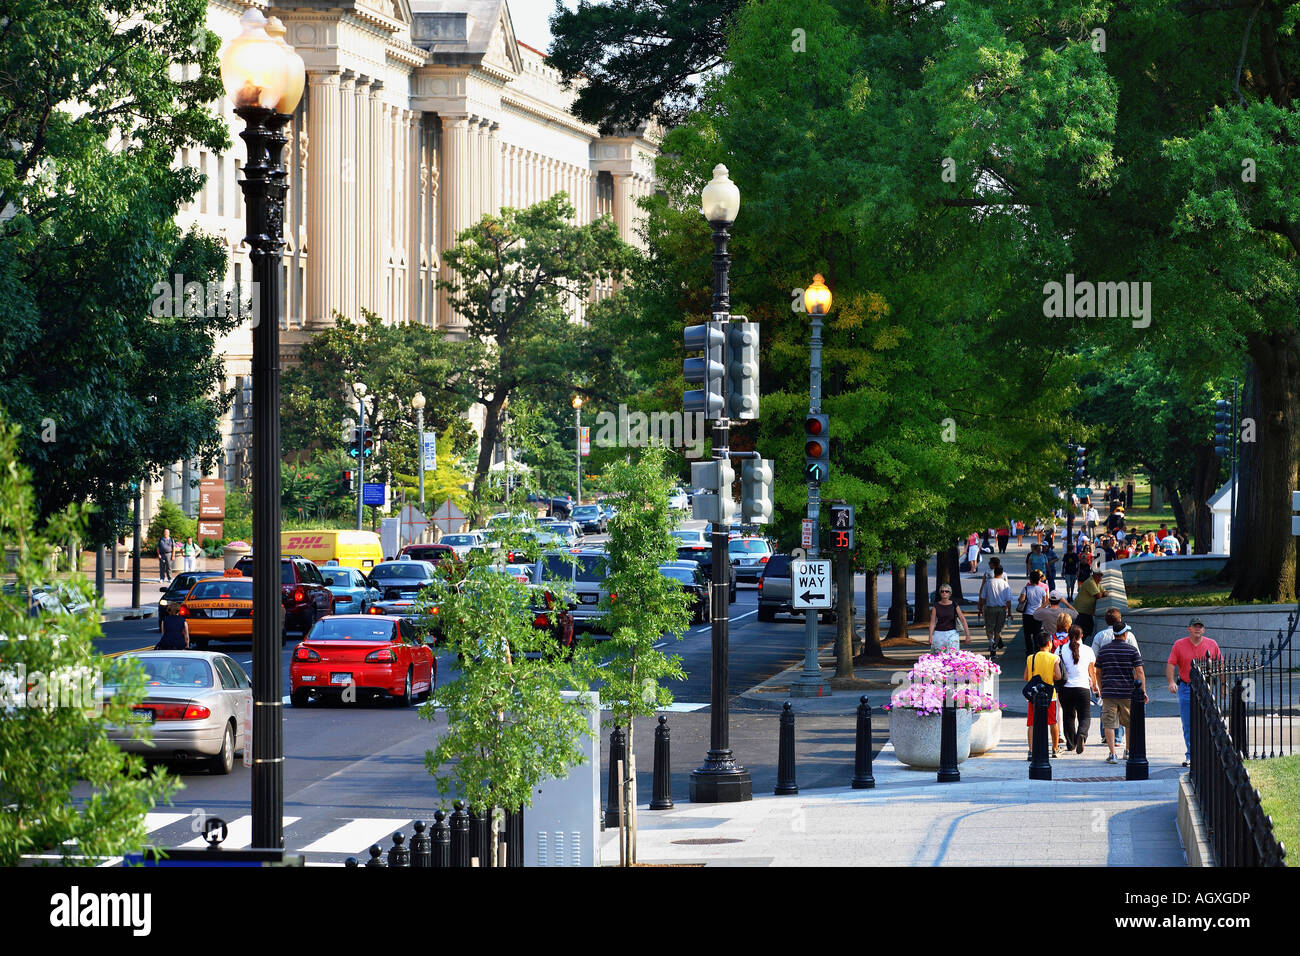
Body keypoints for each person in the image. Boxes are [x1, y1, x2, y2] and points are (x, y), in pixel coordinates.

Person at [1166, 617, 1222, 768]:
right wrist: (1171, 682)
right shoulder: (1179, 644)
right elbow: (1171, 664)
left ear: (1203, 630)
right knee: (1188, 723)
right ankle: (1191, 754)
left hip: (1205, 687)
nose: (1198, 629)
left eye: (1200, 627)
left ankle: (1207, 752)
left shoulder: (1212, 644)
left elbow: (1221, 665)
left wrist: (1223, 686)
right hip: (1186, 686)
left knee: (1207, 720)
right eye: (1195, 626)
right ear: (1189, 629)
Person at [1095, 625, 1147, 764]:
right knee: (1129, 722)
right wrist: (1143, 691)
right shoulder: (1132, 650)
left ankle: (1112, 754)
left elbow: (1098, 672)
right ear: (1124, 634)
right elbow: (1140, 671)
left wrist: (1101, 687)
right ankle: (1128, 751)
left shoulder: (1104, 651)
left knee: (1109, 723)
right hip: (1127, 692)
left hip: (1109, 692)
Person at [1054, 624, 1098, 754]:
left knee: (1068, 716)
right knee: (1084, 716)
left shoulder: (1060, 649)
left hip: (1065, 688)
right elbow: (1092, 671)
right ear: (1081, 636)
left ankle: (1071, 743)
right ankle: (1082, 735)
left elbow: (1056, 668)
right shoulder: (1088, 650)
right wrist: (1095, 685)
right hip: (1083, 687)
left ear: (1068, 635)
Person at [1024, 630, 1061, 757]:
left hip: (1034, 694)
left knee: (1032, 723)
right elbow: (1058, 676)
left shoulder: (1030, 658)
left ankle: (1031, 751)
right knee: (1052, 721)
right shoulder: (1054, 658)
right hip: (1049, 695)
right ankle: (1055, 748)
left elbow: (1026, 677)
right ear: (1049, 643)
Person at [978, 565, 1012, 656]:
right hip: (1002, 609)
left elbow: (982, 597)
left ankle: (991, 641)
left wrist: (980, 608)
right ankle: (994, 649)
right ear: (1002, 573)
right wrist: (1009, 613)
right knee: (998, 630)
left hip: (990, 608)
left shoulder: (988, 583)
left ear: (994, 572)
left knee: (989, 628)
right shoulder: (1005, 584)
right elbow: (1008, 600)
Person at [928, 585, 969, 652]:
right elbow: (932, 622)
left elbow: (962, 619)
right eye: (942, 591)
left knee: (952, 656)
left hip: (952, 633)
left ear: (950, 593)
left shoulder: (954, 605)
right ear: (940, 593)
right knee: (939, 656)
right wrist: (930, 636)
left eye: (946, 591)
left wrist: (967, 635)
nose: (944, 593)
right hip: (939, 633)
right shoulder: (936, 606)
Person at [1018, 569, 1049, 655]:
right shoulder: (1041, 590)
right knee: (1037, 633)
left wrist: (1020, 599)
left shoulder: (1026, 589)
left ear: (1030, 580)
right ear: (1039, 580)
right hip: (1038, 614)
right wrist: (1040, 608)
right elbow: (1045, 602)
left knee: (1027, 634)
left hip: (1027, 614)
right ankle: (1037, 650)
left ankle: (1029, 651)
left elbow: (1021, 600)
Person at [1075, 569, 1106, 640]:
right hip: (1081, 611)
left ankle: (1081, 641)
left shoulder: (1097, 583)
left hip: (1087, 611)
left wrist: (1103, 593)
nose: (1101, 578)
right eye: (1099, 576)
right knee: (1082, 630)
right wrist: (1103, 593)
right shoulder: (1090, 582)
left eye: (1101, 576)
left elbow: (1105, 591)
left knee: (1088, 629)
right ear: (1094, 575)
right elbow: (1098, 595)